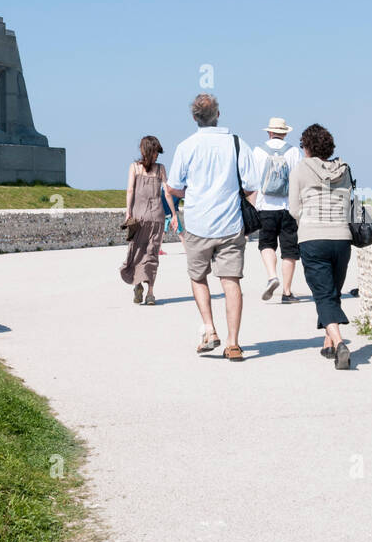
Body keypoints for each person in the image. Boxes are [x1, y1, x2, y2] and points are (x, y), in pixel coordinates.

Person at [167, 94, 260, 361]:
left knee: (198, 277)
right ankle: (233, 343)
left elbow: (173, 187)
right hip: (231, 223)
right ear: (218, 114)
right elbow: (252, 185)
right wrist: (246, 220)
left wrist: (192, 192)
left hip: (198, 223)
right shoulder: (237, 143)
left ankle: (209, 328)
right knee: (231, 282)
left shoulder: (186, 146)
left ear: (194, 117)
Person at [289, 123, 353, 370]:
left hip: (313, 237)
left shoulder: (300, 170)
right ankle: (328, 343)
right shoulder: (344, 169)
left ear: (306, 147)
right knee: (333, 292)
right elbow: (349, 202)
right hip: (341, 237)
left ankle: (338, 344)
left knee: (323, 294)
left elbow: (294, 209)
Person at [121, 136, 179, 305]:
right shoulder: (160, 169)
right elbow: (167, 193)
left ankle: (138, 285)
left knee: (138, 251)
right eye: (155, 152)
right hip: (156, 217)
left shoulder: (134, 168)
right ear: (150, 151)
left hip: (139, 217)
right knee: (152, 253)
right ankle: (150, 293)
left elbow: (130, 190)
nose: (157, 156)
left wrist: (128, 213)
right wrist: (174, 214)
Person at [252, 116, 301, 303]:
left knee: (266, 244)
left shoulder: (258, 151)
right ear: (285, 133)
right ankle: (287, 293)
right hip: (288, 207)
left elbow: (253, 181)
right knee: (289, 250)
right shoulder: (294, 151)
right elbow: (297, 180)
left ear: (269, 132)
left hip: (265, 207)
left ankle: (272, 276)